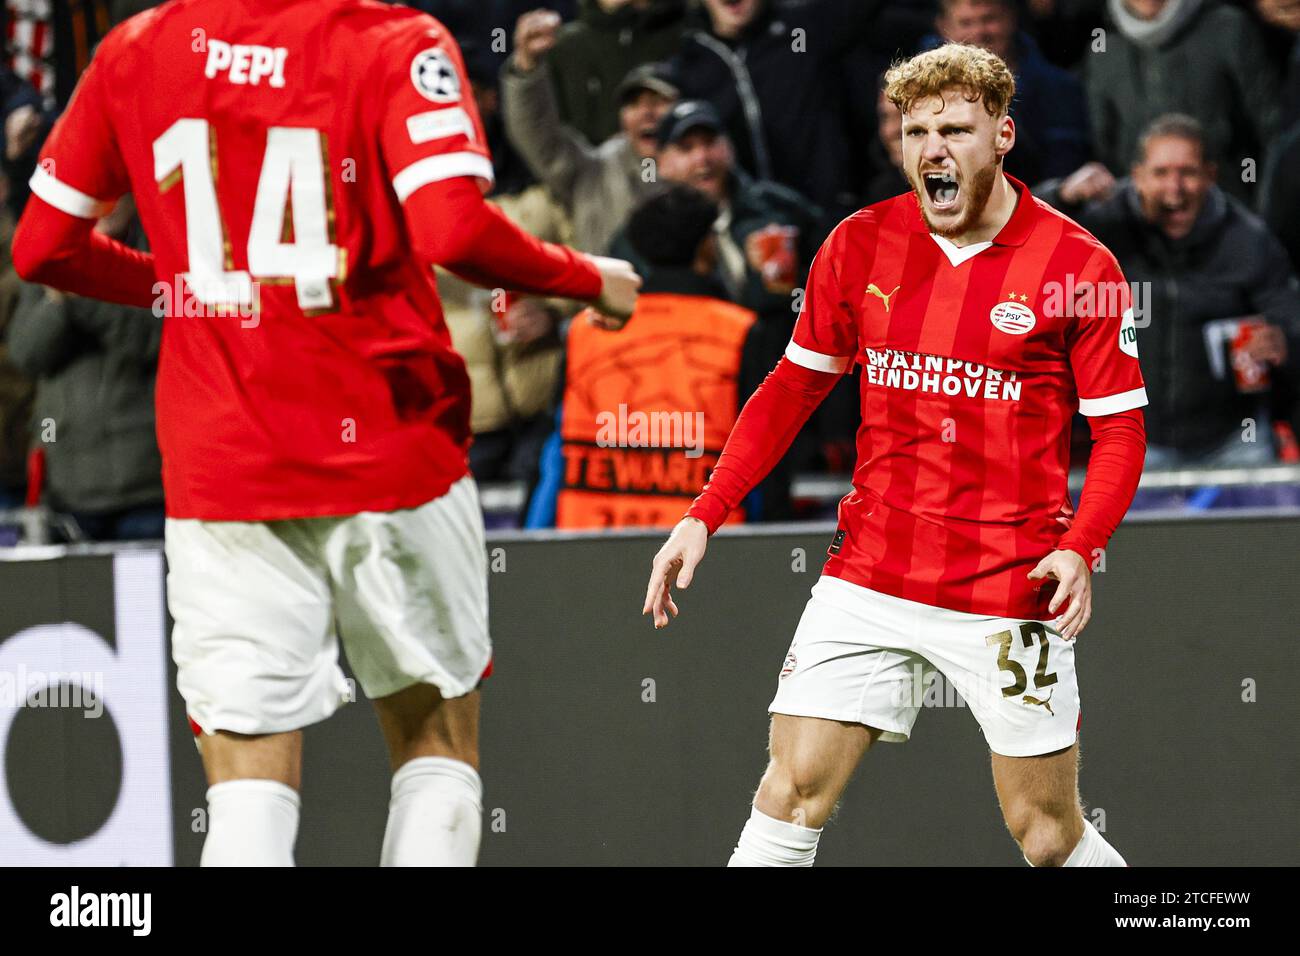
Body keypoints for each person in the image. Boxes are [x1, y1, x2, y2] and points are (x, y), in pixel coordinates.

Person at [12, 0, 640, 866]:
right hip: (393, 454)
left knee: (244, 795)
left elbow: (43, 247)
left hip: (225, 469)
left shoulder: (137, 49)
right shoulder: (394, 41)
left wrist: (182, 287)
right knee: (436, 756)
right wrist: (583, 276)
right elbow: (452, 228)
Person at [644, 43, 1148, 867]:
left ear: (1004, 135)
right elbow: (790, 390)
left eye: (955, 128)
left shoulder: (1078, 267)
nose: (933, 150)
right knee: (791, 790)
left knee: (1047, 837)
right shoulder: (857, 244)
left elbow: (1121, 433)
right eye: (915, 132)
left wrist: (1080, 546)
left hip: (1009, 583)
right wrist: (707, 511)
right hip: (871, 573)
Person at [1041, 114, 1300, 465]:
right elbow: (1021, 237)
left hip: (1235, 439)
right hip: (1132, 437)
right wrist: (1062, 194)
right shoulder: (1103, 223)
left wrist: (1285, 340)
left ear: (1210, 175)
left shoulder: (1247, 239)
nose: (1174, 188)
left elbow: (1289, 314)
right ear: (1137, 177)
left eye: (1188, 173)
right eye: (1161, 173)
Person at [536, 184, 755, 529]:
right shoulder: (741, 330)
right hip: (705, 554)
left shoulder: (587, 328)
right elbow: (762, 453)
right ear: (706, 246)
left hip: (587, 549)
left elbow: (552, 456)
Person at [6, 196, 165, 540]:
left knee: (137, 595)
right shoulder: (50, 255)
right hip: (67, 489)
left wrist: (76, 289)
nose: (102, 209)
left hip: (143, 491)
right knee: (76, 595)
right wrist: (66, 298)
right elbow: (26, 352)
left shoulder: (160, 254)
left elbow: (150, 340)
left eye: (112, 196)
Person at [502, 8, 677, 253]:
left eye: (659, 100)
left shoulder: (706, 165)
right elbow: (538, 134)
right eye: (634, 103)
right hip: (609, 289)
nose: (646, 112)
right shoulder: (594, 170)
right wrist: (527, 68)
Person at [1086, 0, 1281, 203]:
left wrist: (1264, 206)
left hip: (1227, 206)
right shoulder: (1104, 48)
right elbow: (1103, 147)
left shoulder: (1228, 27)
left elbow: (1272, 127)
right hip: (1140, 216)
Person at [925, 0, 1091, 186]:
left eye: (989, 19)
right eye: (966, 23)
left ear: (1011, 19)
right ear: (943, 27)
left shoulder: (1059, 89)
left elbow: (1066, 168)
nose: (979, 32)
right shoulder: (920, 92)